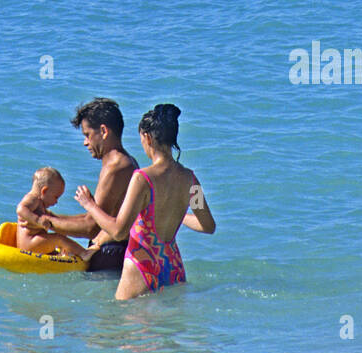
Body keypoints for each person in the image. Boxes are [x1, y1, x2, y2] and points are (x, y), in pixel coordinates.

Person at [74, 104, 216, 301]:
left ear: (147, 138)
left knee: (117, 325)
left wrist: (89, 204)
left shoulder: (142, 178)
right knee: (166, 329)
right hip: (172, 266)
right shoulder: (191, 180)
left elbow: (118, 230)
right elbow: (207, 226)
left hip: (142, 266)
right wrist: (176, 214)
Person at [47, 98, 138, 272]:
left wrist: (44, 223)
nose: (85, 142)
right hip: (117, 252)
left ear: (103, 131)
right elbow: (97, 217)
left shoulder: (116, 166)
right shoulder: (125, 161)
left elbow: (91, 226)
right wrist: (52, 217)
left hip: (111, 255)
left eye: (87, 135)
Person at [16, 167, 89, 259]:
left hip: (35, 242)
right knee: (58, 238)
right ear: (44, 191)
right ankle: (84, 253)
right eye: (56, 197)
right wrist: (37, 220)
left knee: (61, 232)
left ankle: (65, 252)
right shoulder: (33, 199)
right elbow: (21, 209)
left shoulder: (40, 204)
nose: (56, 202)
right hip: (29, 244)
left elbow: (54, 218)